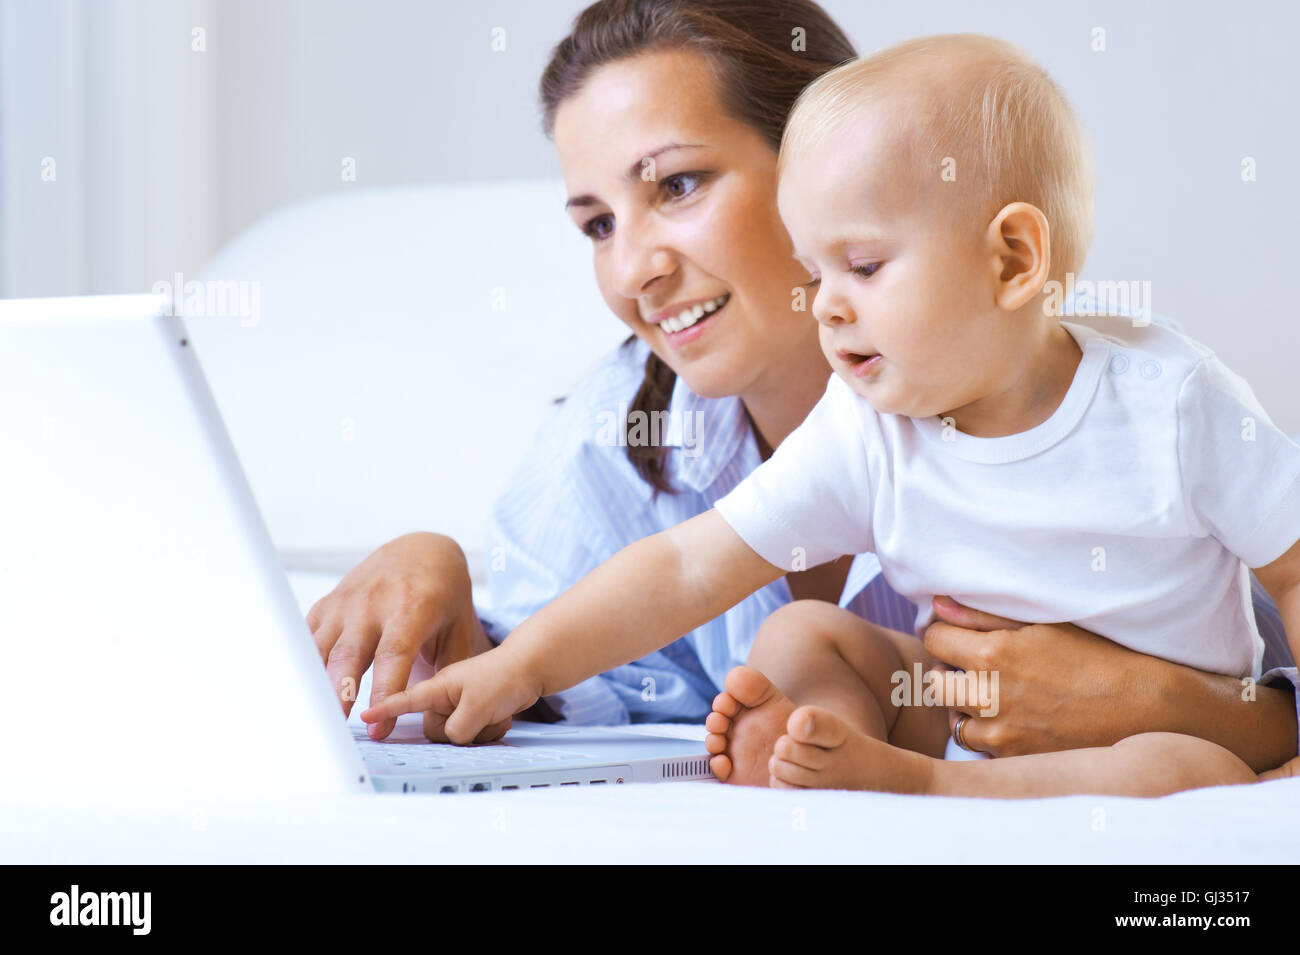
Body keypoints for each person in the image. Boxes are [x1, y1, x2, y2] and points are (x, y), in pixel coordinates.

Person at [307, 0, 1299, 775]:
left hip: (1127, 761)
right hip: (924, 723)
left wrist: (1174, 708)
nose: (631, 272)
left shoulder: (1151, 408)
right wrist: (473, 625)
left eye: (677, 183)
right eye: (596, 224)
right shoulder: (630, 456)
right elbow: (638, 603)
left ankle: (930, 789)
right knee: (797, 634)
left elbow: (1267, 640)